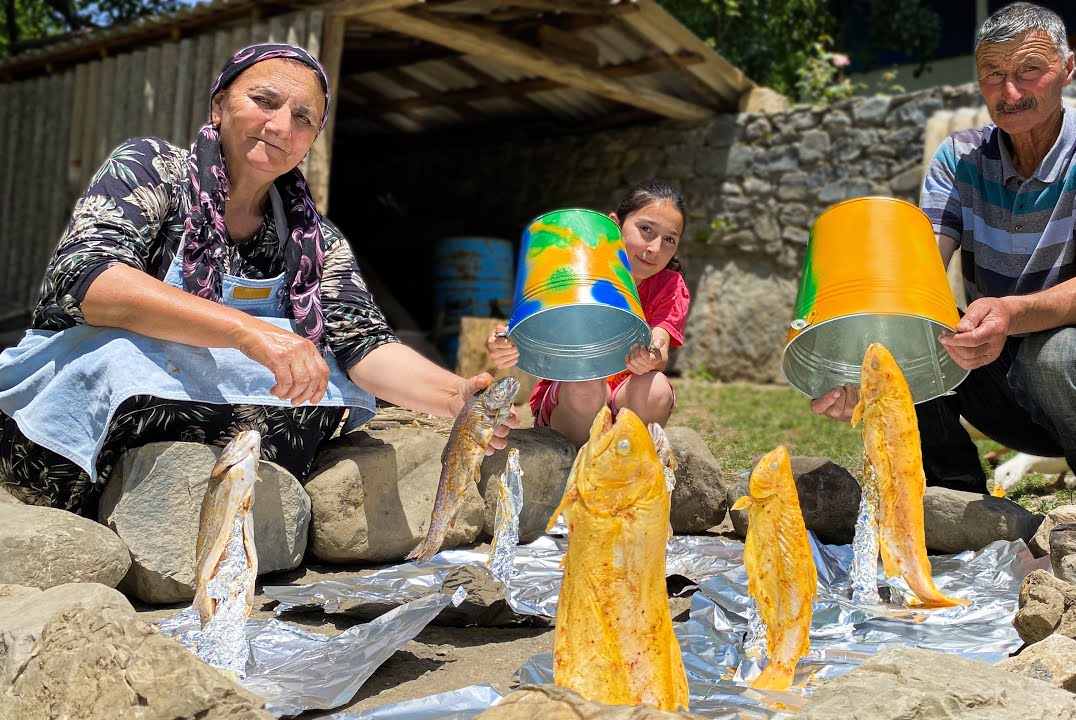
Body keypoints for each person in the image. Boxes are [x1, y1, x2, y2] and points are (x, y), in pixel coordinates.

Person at [0, 43, 515, 516]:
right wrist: (249, 333)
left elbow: (364, 344)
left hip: (220, 429)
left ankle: (227, 516)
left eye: (302, 118)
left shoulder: (315, 238)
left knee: (328, 377)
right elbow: (87, 280)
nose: (280, 125)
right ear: (219, 106)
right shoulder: (152, 169)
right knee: (120, 360)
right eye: (264, 101)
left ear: (312, 139)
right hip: (84, 398)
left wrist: (457, 399)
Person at [812, 2, 1076, 499]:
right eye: (993, 74)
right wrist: (858, 364)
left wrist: (1006, 313)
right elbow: (911, 281)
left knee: (1058, 353)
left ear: (1066, 69)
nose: (1010, 92)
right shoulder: (959, 158)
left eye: (1029, 71)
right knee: (910, 336)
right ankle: (952, 500)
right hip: (1008, 386)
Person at [487, 180, 691, 447]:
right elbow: (531, 322)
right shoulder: (578, 267)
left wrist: (651, 356)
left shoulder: (670, 285)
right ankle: (578, 468)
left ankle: (624, 462)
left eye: (669, 240)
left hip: (625, 401)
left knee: (656, 387)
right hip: (571, 402)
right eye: (645, 229)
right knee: (588, 383)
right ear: (615, 225)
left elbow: (660, 346)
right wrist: (505, 343)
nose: (654, 248)